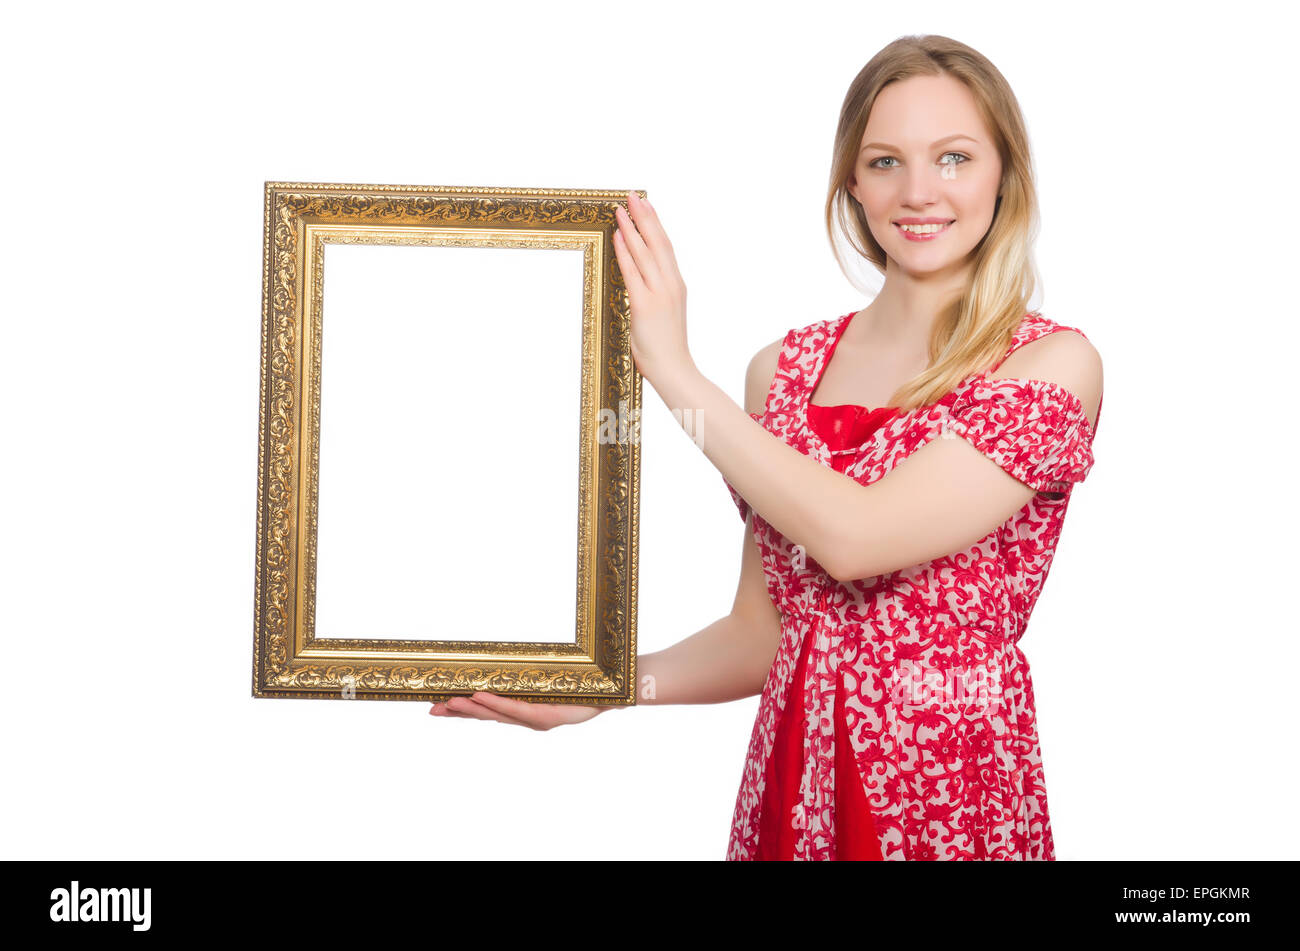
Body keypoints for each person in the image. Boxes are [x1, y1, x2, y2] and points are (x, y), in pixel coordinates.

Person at [428, 33, 1103, 862]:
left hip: (949, 786)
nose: (919, 191)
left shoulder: (1050, 364)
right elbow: (767, 630)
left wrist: (674, 373)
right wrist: (604, 687)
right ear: (851, 181)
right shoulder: (781, 373)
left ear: (1006, 173)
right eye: (885, 161)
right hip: (798, 776)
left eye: (955, 158)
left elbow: (858, 538)